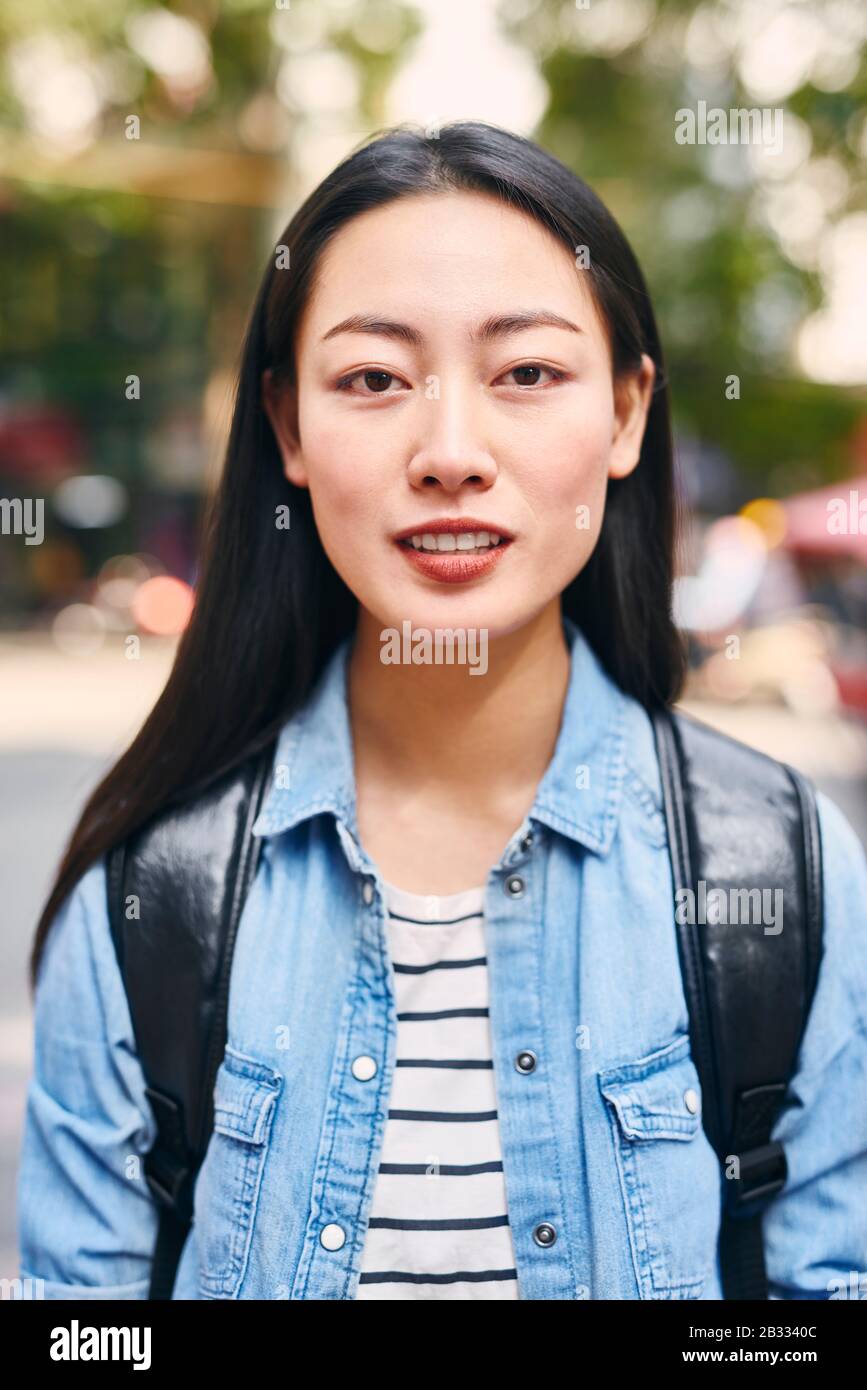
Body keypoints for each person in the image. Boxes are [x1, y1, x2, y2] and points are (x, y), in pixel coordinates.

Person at [17, 121, 867, 1301]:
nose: (452, 451)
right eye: (373, 377)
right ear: (288, 426)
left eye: (527, 371)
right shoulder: (149, 895)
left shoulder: (784, 870)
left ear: (626, 414)